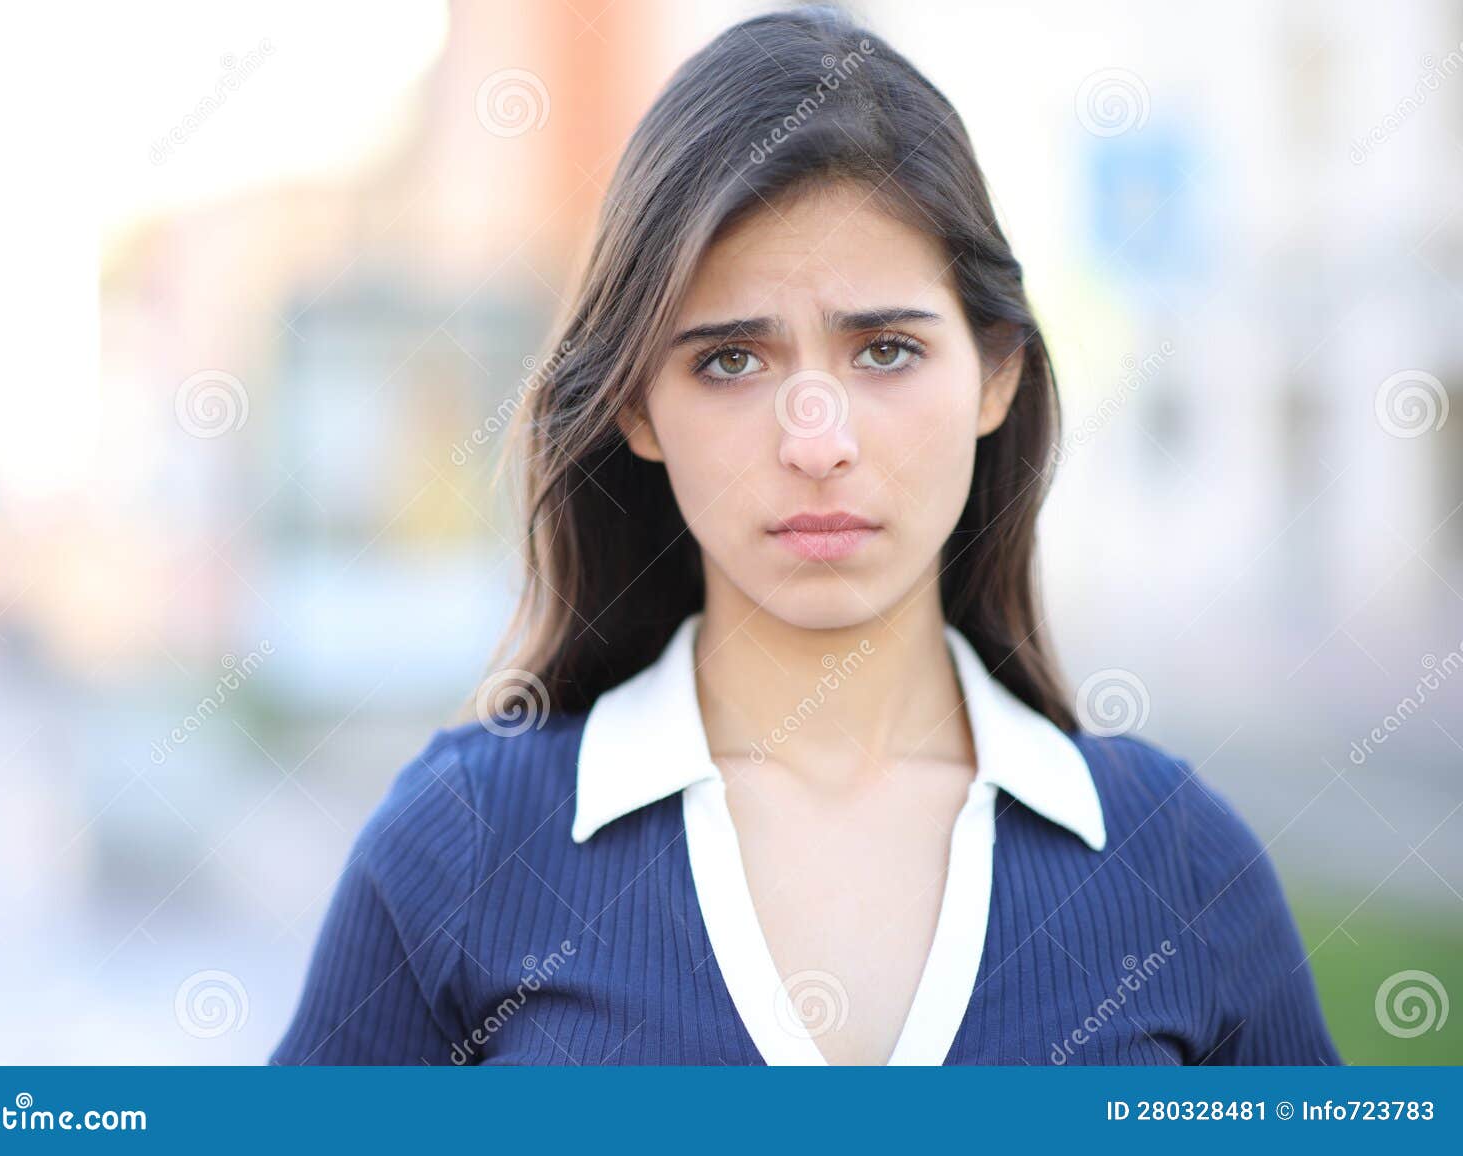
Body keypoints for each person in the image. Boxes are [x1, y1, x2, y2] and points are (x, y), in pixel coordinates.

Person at [270, 3, 1341, 1066]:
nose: (815, 442)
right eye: (731, 360)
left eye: (883, 351)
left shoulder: (1178, 866)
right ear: (636, 408)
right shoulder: (466, 843)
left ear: (996, 374)